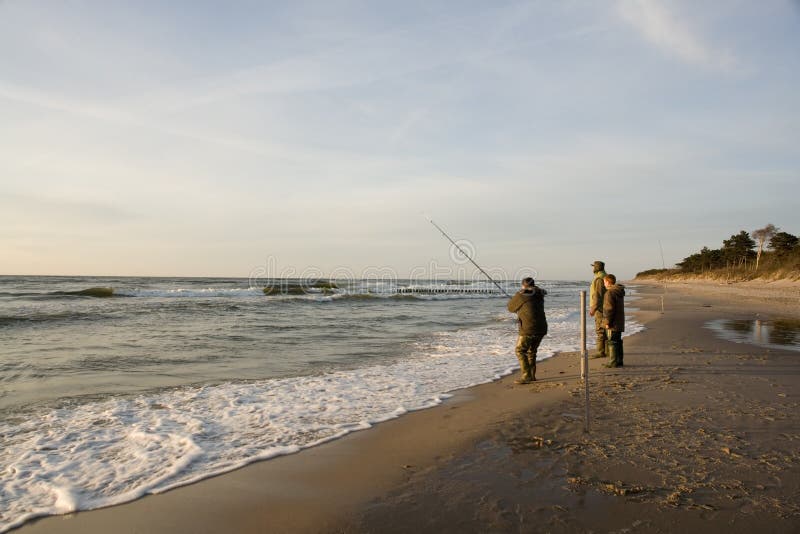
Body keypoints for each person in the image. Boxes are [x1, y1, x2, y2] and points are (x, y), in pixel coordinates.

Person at [507, 277, 548, 384]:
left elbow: (510, 308)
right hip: (541, 327)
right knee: (532, 351)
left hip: (528, 328)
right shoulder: (539, 294)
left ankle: (526, 376)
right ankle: (532, 375)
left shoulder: (521, 295)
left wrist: (518, 294)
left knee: (520, 350)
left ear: (523, 285)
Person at [602, 274, 625, 368]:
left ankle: (613, 361)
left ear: (607, 282)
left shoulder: (610, 293)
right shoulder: (619, 291)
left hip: (613, 322)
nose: (604, 284)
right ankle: (619, 360)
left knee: (612, 341)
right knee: (618, 341)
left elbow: (609, 309)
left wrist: (607, 322)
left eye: (604, 282)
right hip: (619, 321)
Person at [588, 260, 607, 359]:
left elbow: (598, 295)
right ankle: (606, 350)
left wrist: (593, 308)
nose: (592, 268)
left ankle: (601, 351)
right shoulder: (604, 276)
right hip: (604, 306)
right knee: (605, 329)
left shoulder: (599, 279)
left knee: (600, 329)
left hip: (600, 308)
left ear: (596, 268)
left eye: (593, 266)